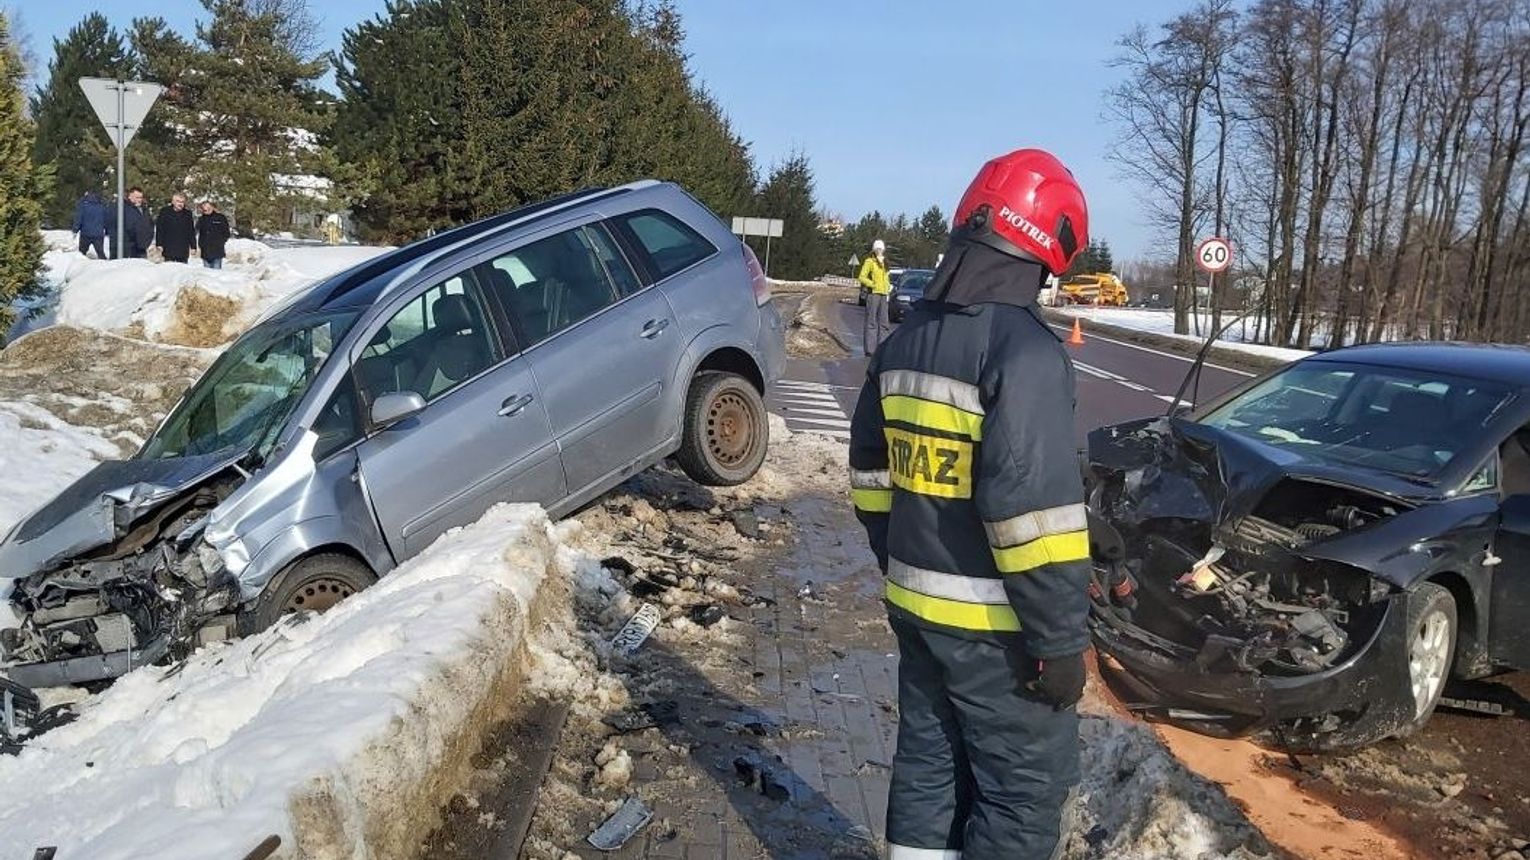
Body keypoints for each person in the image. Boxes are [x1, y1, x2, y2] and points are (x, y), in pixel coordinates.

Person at [848, 148, 1092, 859]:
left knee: (928, 770)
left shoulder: (905, 340)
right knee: (1019, 797)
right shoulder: (1025, 353)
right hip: (998, 632)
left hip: (915, 608)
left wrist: (900, 558)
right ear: (1047, 245)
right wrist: (1058, 643)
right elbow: (1030, 518)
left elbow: (869, 475)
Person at [858, 238, 892, 354]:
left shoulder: (886, 262)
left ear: (883, 249)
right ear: (874, 250)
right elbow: (862, 277)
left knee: (884, 323)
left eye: (881, 248)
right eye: (877, 248)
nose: (879, 250)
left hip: (884, 295)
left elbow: (886, 278)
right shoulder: (869, 261)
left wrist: (888, 288)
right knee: (871, 322)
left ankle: (882, 349)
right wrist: (872, 284)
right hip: (873, 294)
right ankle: (870, 349)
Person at [111, 187, 154, 259]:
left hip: (142, 246)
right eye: (137, 197)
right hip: (128, 247)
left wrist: (148, 238)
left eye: (141, 197)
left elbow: (150, 224)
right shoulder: (123, 208)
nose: (139, 200)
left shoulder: (144, 209)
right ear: (130, 196)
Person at [155, 193, 196, 264]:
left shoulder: (188, 214)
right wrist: (159, 244)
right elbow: (160, 229)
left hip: (183, 249)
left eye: (182, 202)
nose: (180, 204)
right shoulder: (165, 212)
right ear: (173, 202)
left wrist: (193, 246)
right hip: (168, 248)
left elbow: (191, 231)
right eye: (178, 201)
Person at [72, 190, 109, 258]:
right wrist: (107, 231)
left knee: (82, 253)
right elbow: (106, 220)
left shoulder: (83, 206)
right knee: (100, 253)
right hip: (98, 234)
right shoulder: (102, 206)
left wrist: (75, 230)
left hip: (85, 233)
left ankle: (80, 264)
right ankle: (105, 263)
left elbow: (79, 218)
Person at [196, 201, 232, 269]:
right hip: (205, 251)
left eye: (208, 207)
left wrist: (221, 241)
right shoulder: (201, 219)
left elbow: (226, 233)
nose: (206, 209)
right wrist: (201, 244)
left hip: (217, 250)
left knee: (216, 273)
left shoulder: (220, 218)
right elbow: (196, 230)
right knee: (207, 273)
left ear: (212, 207)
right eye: (204, 208)